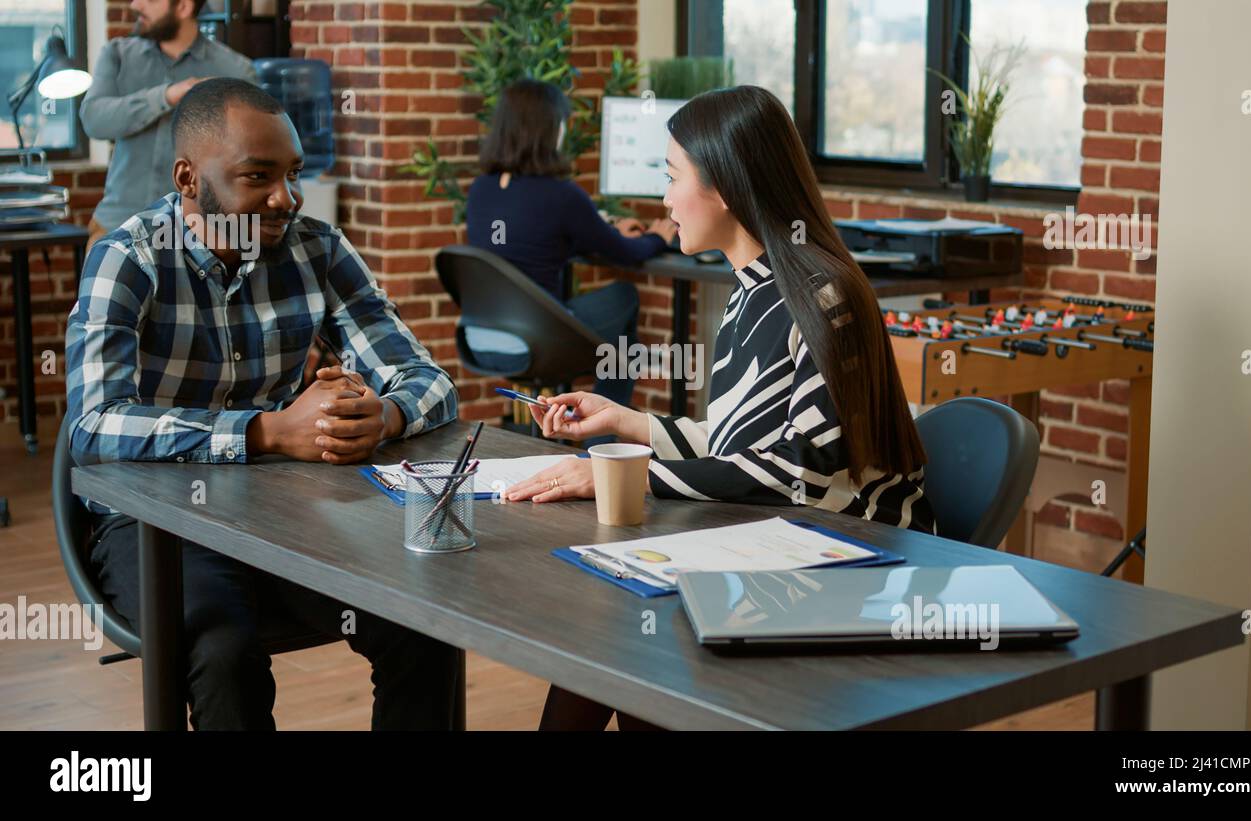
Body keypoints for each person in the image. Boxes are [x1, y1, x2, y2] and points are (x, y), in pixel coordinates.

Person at [503, 85, 935, 730]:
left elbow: (803, 471)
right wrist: (627, 423)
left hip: (857, 558)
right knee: (616, 641)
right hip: (784, 540)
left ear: (726, 187)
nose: (665, 199)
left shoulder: (820, 296)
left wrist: (624, 472)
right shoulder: (753, 291)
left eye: (673, 177)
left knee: (627, 639)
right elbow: (740, 444)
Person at [65, 78, 461, 730]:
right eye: (259, 176)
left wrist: (383, 415)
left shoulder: (316, 248)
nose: (287, 197)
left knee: (423, 621)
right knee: (225, 653)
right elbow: (93, 424)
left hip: (282, 514)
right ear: (189, 178)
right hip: (157, 523)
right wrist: (268, 432)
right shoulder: (128, 259)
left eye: (293, 174)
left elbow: (425, 377)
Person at [464, 78, 677, 409]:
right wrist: (657, 237)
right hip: (533, 341)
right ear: (552, 130)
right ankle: (601, 437)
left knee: (605, 337)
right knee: (624, 297)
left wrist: (605, 229)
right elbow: (626, 254)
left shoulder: (480, 189)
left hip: (479, 339)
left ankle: (587, 431)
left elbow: (525, 242)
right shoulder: (562, 196)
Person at [81, 0, 256, 248]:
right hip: (118, 228)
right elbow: (94, 120)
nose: (136, 5)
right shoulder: (117, 55)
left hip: (201, 237)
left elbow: (251, 156)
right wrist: (167, 96)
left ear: (183, 7)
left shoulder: (236, 72)